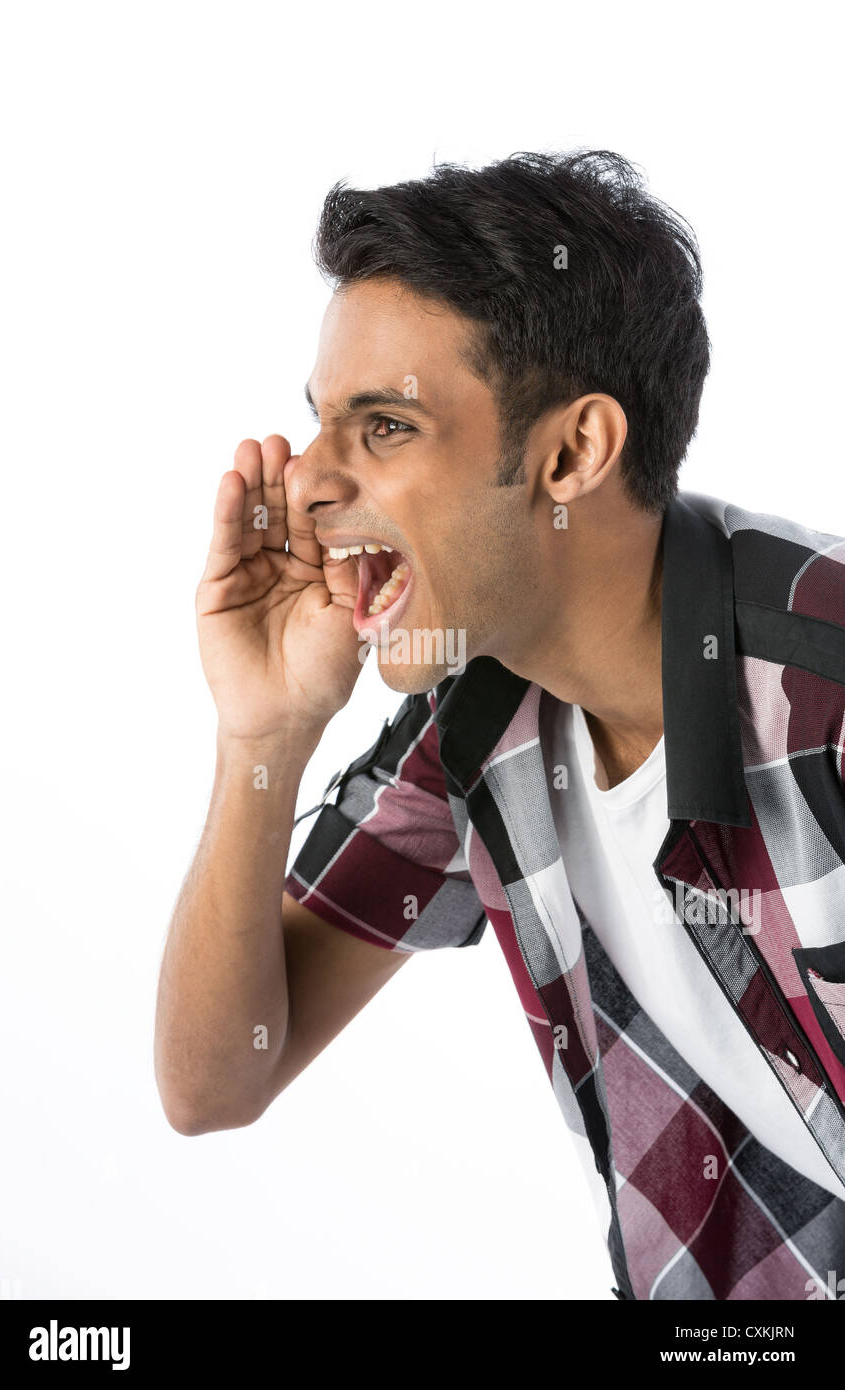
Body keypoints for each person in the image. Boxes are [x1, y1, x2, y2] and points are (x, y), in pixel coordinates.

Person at [154, 151, 845, 1301]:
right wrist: (260, 737)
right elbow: (215, 1081)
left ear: (570, 453)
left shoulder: (820, 700)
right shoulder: (471, 720)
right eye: (318, 424)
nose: (308, 486)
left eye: (382, 428)